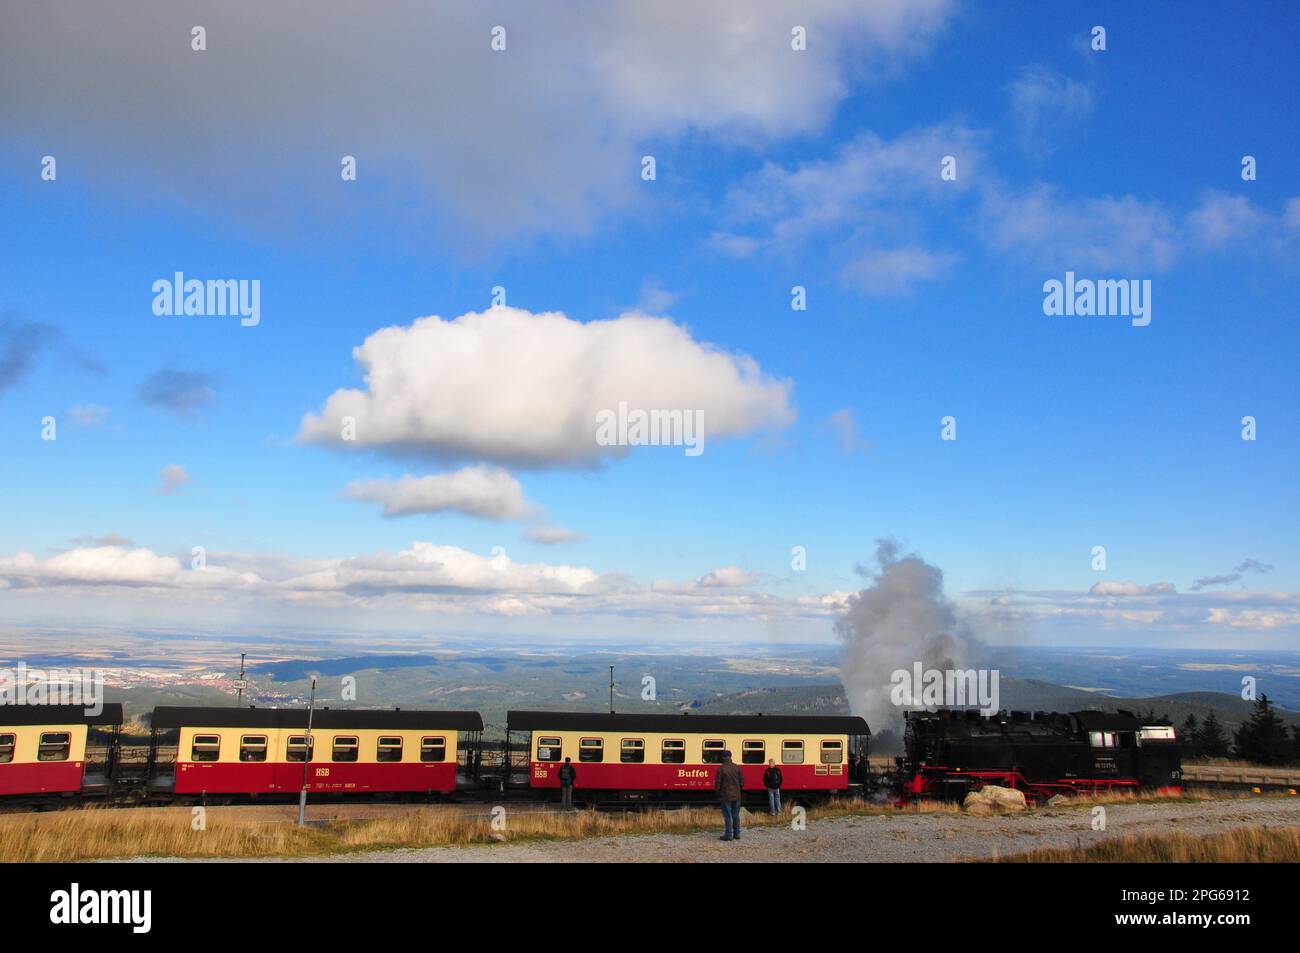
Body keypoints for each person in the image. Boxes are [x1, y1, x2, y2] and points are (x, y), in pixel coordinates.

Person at [714, 749, 745, 841]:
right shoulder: (737, 767)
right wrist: (738, 790)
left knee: (728, 815)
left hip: (726, 795)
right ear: (730, 757)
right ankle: (737, 834)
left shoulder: (721, 768)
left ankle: (728, 835)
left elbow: (717, 784)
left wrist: (718, 793)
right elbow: (742, 782)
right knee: (735, 815)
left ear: (723, 757)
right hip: (737, 795)